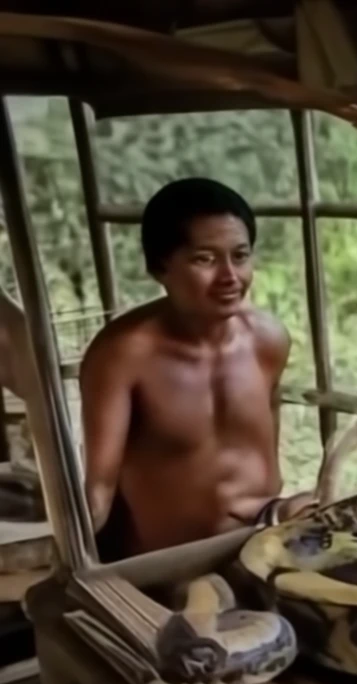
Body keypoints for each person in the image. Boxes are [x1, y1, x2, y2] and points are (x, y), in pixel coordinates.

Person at [79, 178, 316, 559]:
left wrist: (282, 511)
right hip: (165, 566)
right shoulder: (123, 354)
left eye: (240, 256)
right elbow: (98, 492)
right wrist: (73, 562)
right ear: (160, 267)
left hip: (257, 546)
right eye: (204, 259)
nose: (229, 277)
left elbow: (265, 456)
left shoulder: (268, 340)